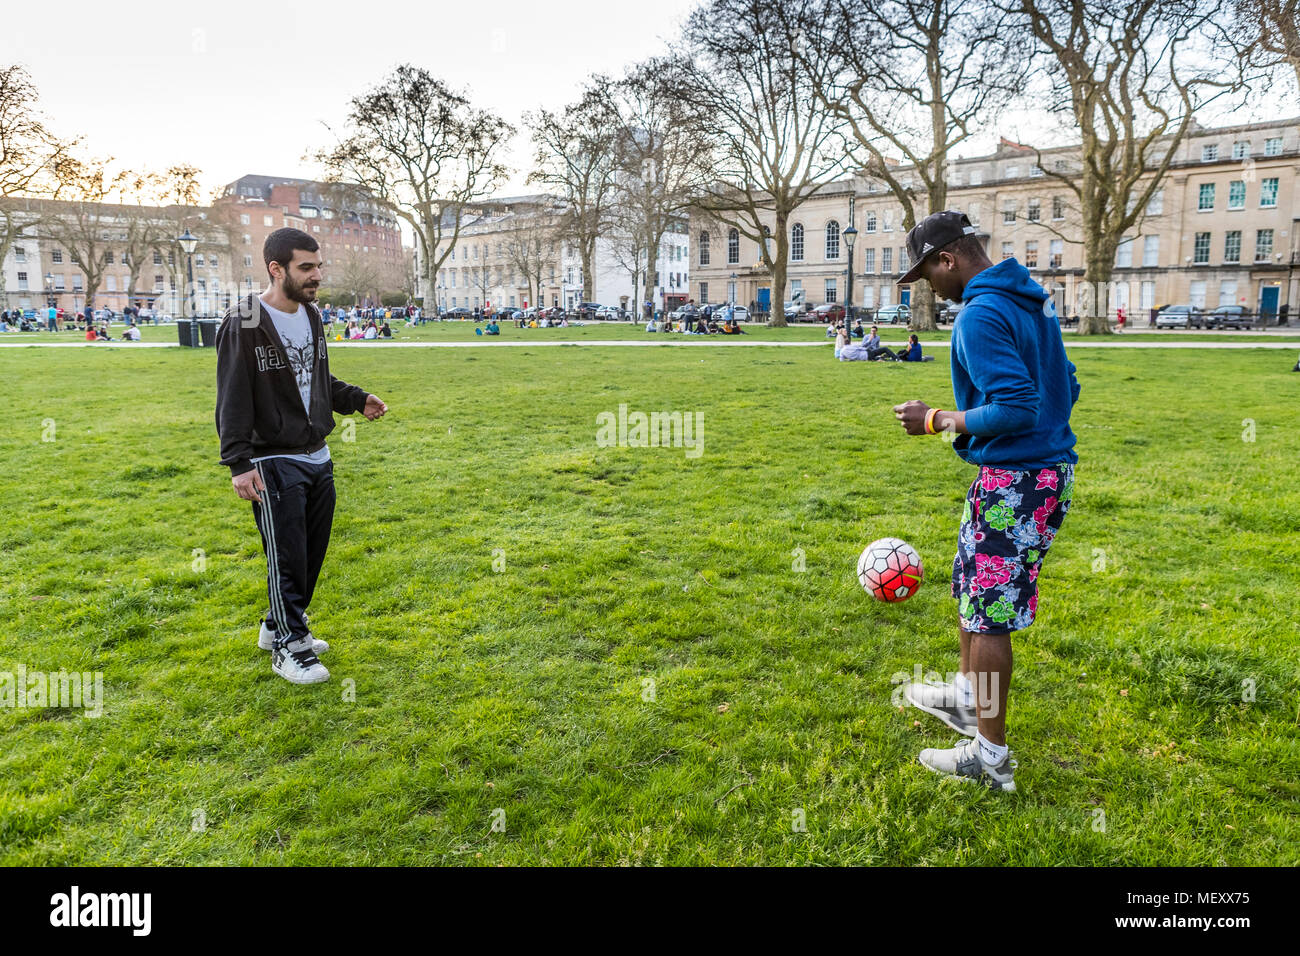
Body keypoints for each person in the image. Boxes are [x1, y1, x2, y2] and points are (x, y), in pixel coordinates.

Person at [891, 210, 1080, 793]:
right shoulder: (1030, 299)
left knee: (990, 612)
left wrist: (936, 420)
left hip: (1018, 479)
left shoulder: (980, 312)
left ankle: (991, 759)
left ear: (948, 259)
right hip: (1035, 472)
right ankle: (970, 698)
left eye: (927, 275)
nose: (929, 287)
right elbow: (1065, 382)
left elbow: (1016, 407)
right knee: (973, 592)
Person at [216, 227, 388, 685]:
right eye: (306, 267)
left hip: (317, 452)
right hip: (272, 458)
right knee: (286, 554)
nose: (317, 275)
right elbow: (232, 395)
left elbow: (316, 378)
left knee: (311, 553)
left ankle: (276, 626)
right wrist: (238, 463)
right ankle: (290, 646)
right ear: (277, 269)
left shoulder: (311, 315)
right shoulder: (247, 319)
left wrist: (355, 398)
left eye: (318, 266)